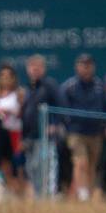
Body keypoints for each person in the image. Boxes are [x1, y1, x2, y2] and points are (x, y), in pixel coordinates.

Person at [58, 54, 106, 202]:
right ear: (77, 67)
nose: (86, 68)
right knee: (81, 163)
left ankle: (90, 194)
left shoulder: (100, 86)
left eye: (89, 65)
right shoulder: (69, 87)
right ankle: (83, 194)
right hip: (76, 132)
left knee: (92, 165)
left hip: (95, 132)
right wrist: (68, 126)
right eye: (83, 65)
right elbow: (62, 110)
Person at [21, 55, 62, 198]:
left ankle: (50, 197)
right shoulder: (26, 88)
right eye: (32, 67)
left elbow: (60, 107)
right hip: (29, 136)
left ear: (43, 69)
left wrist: (54, 125)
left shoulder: (49, 85)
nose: (34, 70)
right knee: (32, 168)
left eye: (37, 67)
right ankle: (39, 197)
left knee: (47, 167)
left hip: (45, 137)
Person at [0, 63, 27, 197]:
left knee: (17, 166)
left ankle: (21, 194)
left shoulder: (19, 93)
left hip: (14, 133)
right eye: (3, 76)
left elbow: (23, 112)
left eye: (9, 76)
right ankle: (9, 192)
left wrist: (10, 111)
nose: (6, 79)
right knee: (3, 165)